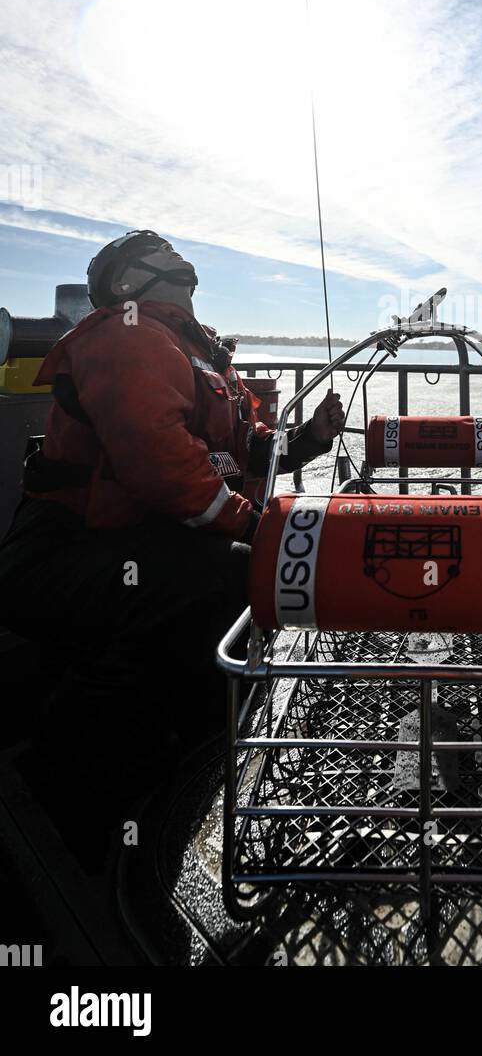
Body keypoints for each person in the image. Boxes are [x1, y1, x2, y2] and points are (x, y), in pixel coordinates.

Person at [0, 230, 344, 841]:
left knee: (232, 571)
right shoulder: (126, 336)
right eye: (156, 251)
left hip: (130, 544)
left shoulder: (198, 356)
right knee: (221, 576)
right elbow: (162, 467)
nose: (177, 257)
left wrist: (310, 438)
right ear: (127, 283)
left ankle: (189, 743)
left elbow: (250, 452)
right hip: (59, 554)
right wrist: (254, 528)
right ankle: (67, 769)